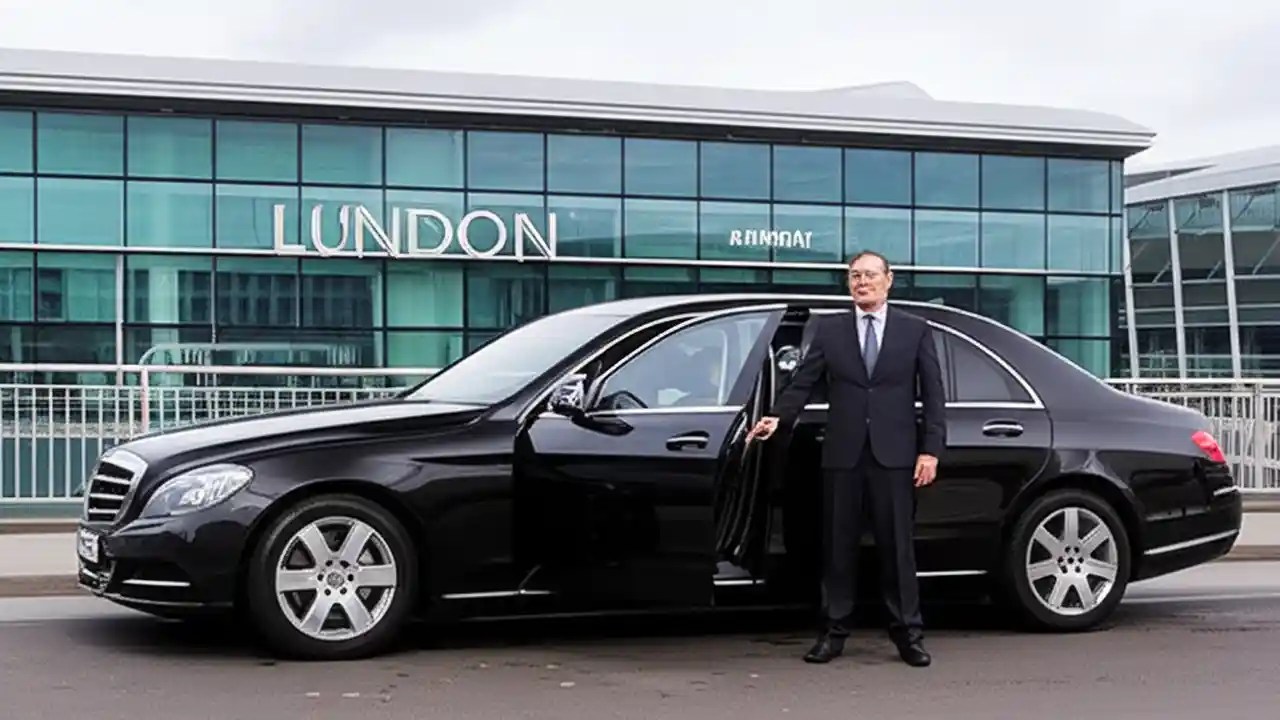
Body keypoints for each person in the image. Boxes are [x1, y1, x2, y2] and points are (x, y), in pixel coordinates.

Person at [747, 250, 945, 668]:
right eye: (855, 276)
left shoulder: (915, 330)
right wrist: (777, 417)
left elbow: (933, 396)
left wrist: (930, 450)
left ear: (889, 279)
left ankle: (909, 635)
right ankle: (833, 633)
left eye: (870, 275)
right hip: (843, 454)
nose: (862, 282)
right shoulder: (830, 329)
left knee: (897, 550)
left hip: (895, 455)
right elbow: (803, 382)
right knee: (838, 549)